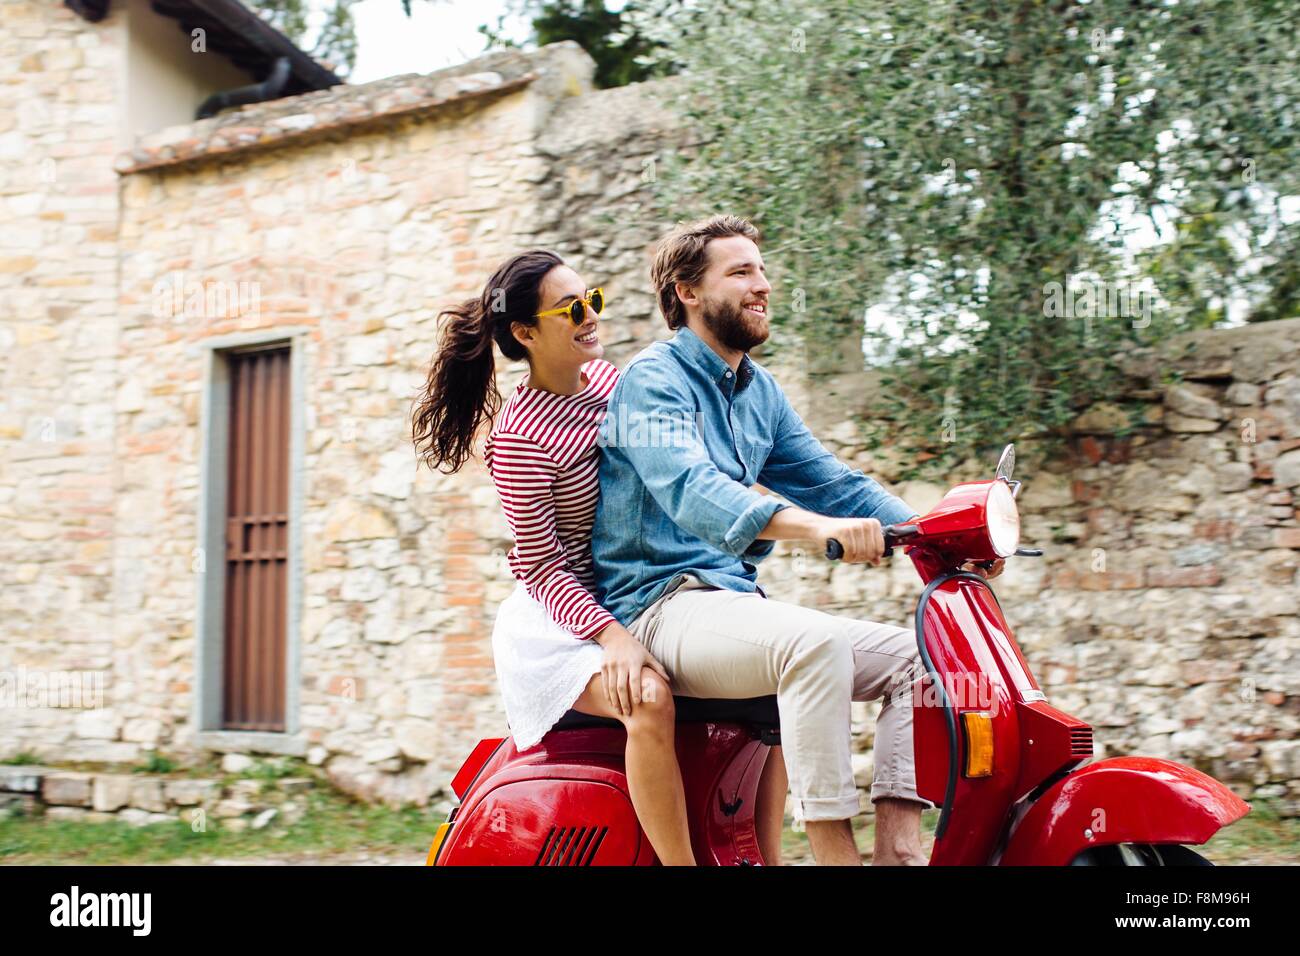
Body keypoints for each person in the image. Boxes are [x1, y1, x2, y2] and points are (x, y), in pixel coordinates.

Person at [590, 215, 1004, 865]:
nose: (763, 286)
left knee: (923, 656)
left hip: (730, 604)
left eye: (762, 269)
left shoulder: (759, 391)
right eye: (741, 272)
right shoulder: (654, 379)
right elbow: (693, 491)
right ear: (688, 292)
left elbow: (835, 483)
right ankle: (834, 858)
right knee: (813, 645)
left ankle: (898, 850)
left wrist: (940, 540)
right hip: (658, 606)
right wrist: (816, 531)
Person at [411, 249, 785, 865]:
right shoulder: (519, 439)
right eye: (570, 309)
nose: (590, 316)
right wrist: (612, 638)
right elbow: (541, 568)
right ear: (526, 332)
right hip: (564, 618)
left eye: (594, 300)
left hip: (639, 584)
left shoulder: (617, 383)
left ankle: (767, 858)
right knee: (646, 698)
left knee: (776, 676)